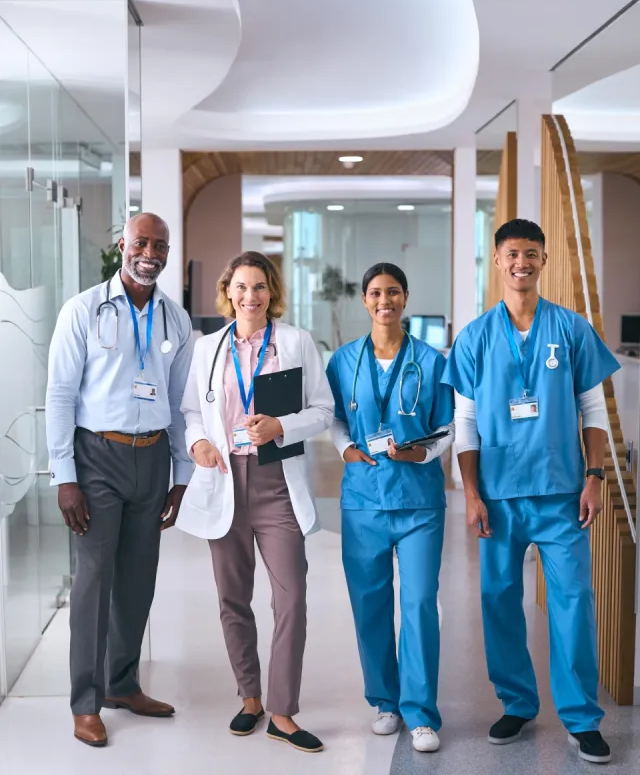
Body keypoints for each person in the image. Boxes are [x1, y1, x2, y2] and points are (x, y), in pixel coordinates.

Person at [442, 218, 620, 765]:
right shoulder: (473, 338)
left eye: (532, 254)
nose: (522, 262)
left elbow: (593, 411)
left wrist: (595, 478)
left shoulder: (570, 329)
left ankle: (581, 718)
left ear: (544, 262)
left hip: (563, 493)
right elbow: (465, 424)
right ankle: (517, 703)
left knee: (573, 604)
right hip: (498, 496)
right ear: (496, 261)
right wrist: (470, 495)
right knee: (499, 602)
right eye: (512, 253)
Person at [45, 213, 194, 747]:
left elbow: (179, 404)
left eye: (160, 245)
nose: (149, 252)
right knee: (93, 582)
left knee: (138, 579)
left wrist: (181, 474)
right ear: (122, 246)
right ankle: (85, 702)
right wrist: (65, 476)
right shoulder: (83, 309)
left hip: (152, 459)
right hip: (96, 457)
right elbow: (61, 394)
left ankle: (122, 683)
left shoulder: (176, 321)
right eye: (141, 242)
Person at [176, 251, 333, 753]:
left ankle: (283, 712)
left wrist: (282, 425)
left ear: (272, 292)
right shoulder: (208, 348)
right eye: (241, 287)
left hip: (276, 482)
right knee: (232, 598)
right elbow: (191, 413)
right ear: (228, 292)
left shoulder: (295, 342)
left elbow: (324, 410)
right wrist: (198, 442)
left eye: (260, 287)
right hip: (225, 481)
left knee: (291, 600)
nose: (250, 296)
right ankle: (249, 697)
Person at [326, 263, 454, 754]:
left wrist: (419, 452)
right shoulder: (343, 360)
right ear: (364, 300)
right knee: (370, 605)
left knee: (420, 604)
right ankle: (385, 702)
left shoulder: (431, 360)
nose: (386, 300)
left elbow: (446, 428)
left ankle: (421, 714)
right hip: (362, 500)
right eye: (376, 293)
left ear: (406, 297)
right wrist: (344, 449)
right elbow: (334, 417)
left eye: (394, 292)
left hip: (419, 499)